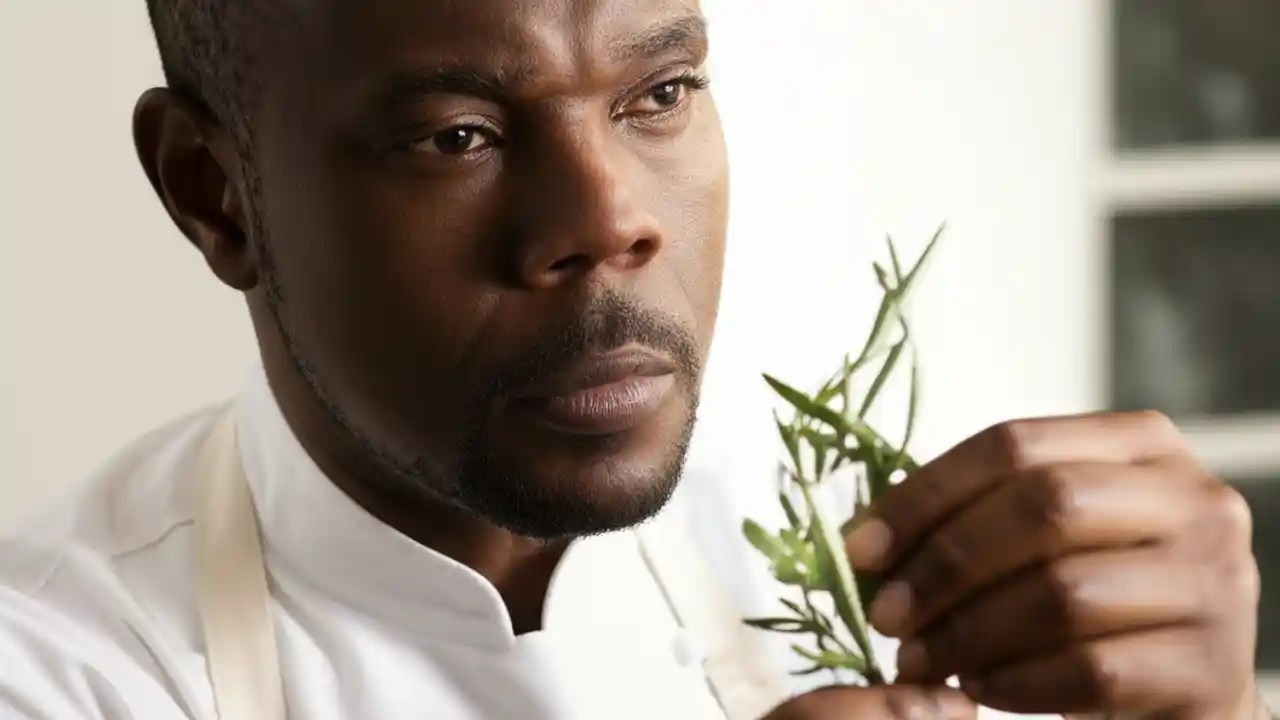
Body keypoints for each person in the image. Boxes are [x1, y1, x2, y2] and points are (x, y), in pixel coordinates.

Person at [0, 0, 1265, 718]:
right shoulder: (61, 673)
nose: (609, 219)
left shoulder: (897, 550)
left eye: (656, 93)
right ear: (213, 193)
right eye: (456, 134)